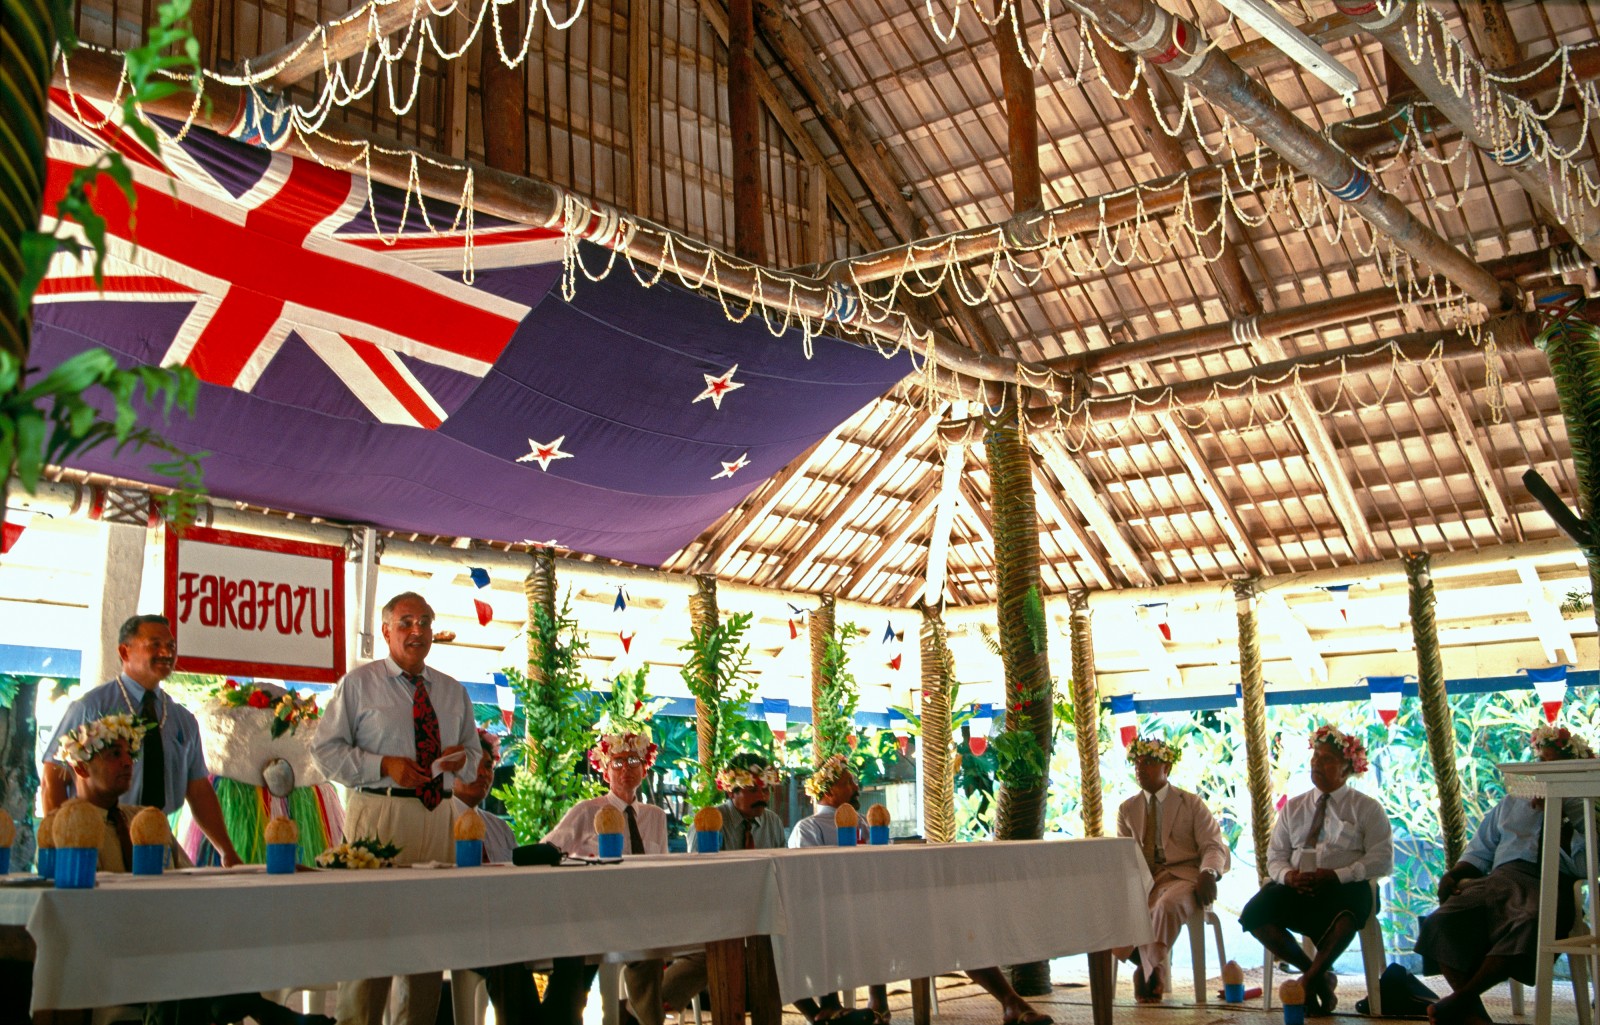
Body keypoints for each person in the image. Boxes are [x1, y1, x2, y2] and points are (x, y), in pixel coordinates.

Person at [59, 711, 330, 1025]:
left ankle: (257, 1010)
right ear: (80, 765)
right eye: (114, 755)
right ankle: (265, 1013)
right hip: (113, 950)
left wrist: (261, 871)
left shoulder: (143, 818)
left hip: (161, 944)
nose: (127, 763)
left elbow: (190, 877)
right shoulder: (68, 827)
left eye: (129, 754)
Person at [310, 592, 478, 1025]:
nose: (417, 631)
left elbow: (476, 756)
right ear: (386, 630)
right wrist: (383, 764)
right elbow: (325, 752)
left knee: (425, 943)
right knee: (371, 938)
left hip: (438, 816)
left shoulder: (453, 691)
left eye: (425, 621)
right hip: (378, 817)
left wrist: (464, 760)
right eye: (406, 622)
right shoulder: (358, 684)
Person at [790, 756, 1052, 1025]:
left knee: (956, 925)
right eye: (849, 783)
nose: (857, 787)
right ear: (830, 791)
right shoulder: (808, 829)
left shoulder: (864, 823)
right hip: (838, 921)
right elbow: (809, 884)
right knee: (869, 919)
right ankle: (876, 1004)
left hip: (885, 910)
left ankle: (1011, 1003)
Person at [1416, 724, 1594, 1025]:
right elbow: (1481, 848)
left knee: (1529, 920)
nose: (1546, 772)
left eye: (1555, 764)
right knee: (1440, 921)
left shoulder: (1584, 807)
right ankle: (1472, 1011)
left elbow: (1586, 866)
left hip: (1547, 885)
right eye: (1542, 763)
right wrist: (1457, 872)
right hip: (1497, 880)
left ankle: (1461, 1000)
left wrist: (1561, 812)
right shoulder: (1514, 802)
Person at [41, 614, 241, 866]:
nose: (166, 652)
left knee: (188, 899)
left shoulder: (183, 719)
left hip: (160, 834)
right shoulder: (91, 707)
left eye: (171, 646)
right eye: (154, 644)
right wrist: (62, 845)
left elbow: (199, 789)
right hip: (102, 833)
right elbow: (53, 776)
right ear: (125, 652)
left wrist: (227, 852)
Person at [1241, 725, 1392, 1017]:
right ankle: (1318, 977)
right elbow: (1275, 858)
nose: (1316, 763)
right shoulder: (1294, 808)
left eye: (1326, 759)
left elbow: (1382, 859)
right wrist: (1289, 876)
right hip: (1298, 888)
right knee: (1255, 914)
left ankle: (1308, 982)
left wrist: (1338, 875)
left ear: (1347, 768)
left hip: (1342, 888)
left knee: (1350, 912)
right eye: (1315, 756)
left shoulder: (1367, 809)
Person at [636, 753, 788, 1025]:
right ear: (732, 791)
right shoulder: (710, 820)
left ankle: (811, 1013)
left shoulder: (773, 822)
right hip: (712, 913)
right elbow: (698, 879)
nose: (762, 796)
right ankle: (648, 1008)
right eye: (753, 790)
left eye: (765, 789)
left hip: (759, 913)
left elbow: (781, 871)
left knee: (776, 949)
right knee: (718, 950)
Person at [543, 727, 667, 1025]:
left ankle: (639, 1017)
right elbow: (547, 852)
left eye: (633, 762)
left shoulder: (655, 817)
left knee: (654, 954)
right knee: (574, 974)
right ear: (605, 770)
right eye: (618, 763)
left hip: (640, 915)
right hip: (591, 915)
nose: (626, 770)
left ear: (644, 768)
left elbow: (663, 869)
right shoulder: (586, 811)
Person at [1112, 735, 1230, 1003]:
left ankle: (1148, 970)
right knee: (1107, 907)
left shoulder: (1191, 803)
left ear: (1168, 768)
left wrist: (1208, 873)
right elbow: (1125, 855)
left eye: (1150, 762)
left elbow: (1213, 846)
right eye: (1138, 763)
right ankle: (1152, 965)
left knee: (1166, 906)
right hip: (1146, 882)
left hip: (1185, 878)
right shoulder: (1127, 809)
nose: (1141, 768)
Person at [454, 728, 515, 864]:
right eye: (472, 765)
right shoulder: (431, 824)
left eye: (488, 766)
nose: (482, 773)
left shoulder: (501, 829)